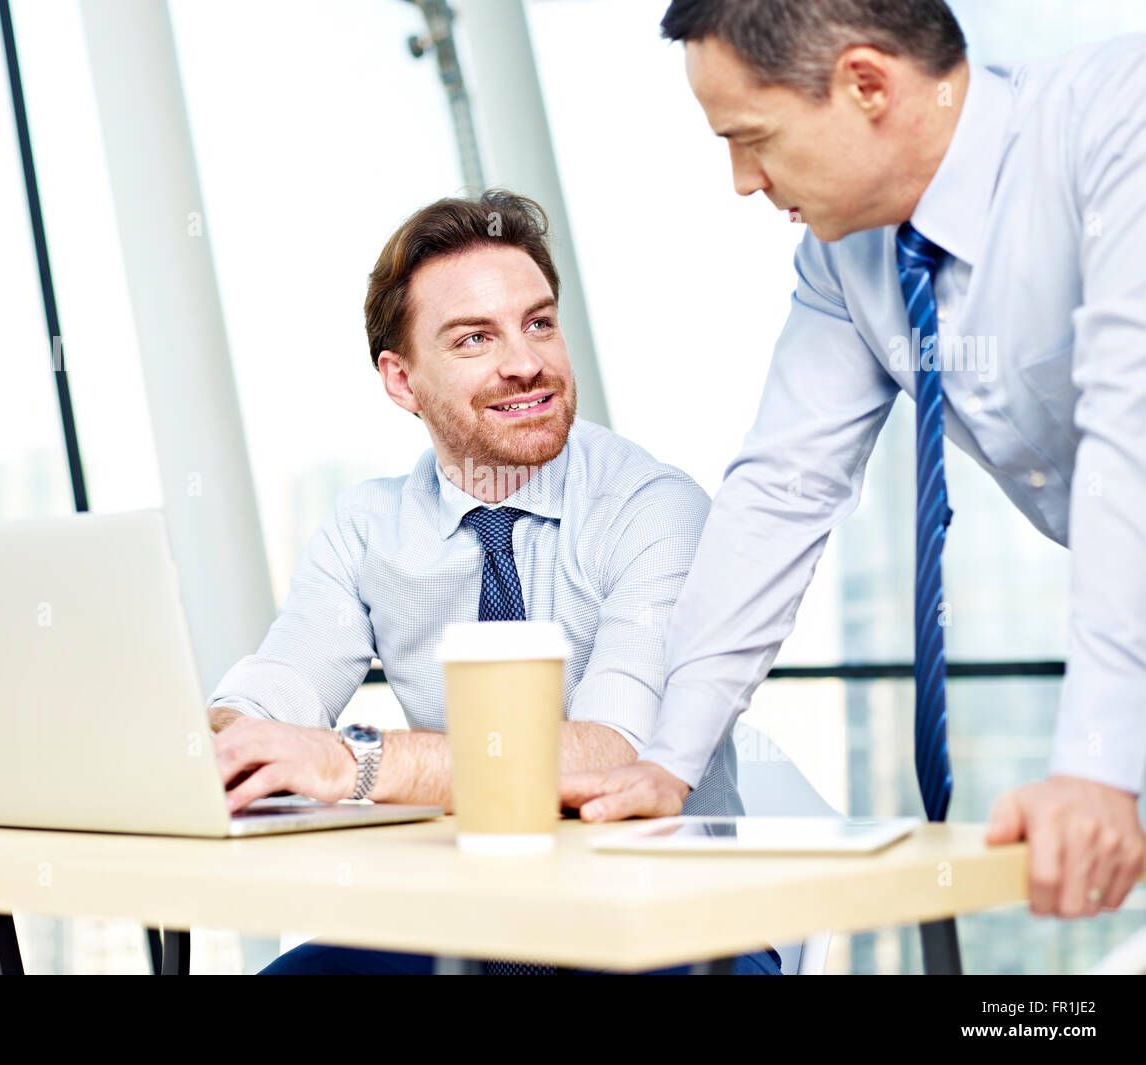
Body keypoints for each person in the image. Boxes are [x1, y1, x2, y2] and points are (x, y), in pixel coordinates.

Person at [563, 0, 1146, 920]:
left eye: (752, 137)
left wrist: (1098, 762)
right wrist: (667, 762)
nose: (742, 180)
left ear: (866, 83)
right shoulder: (849, 260)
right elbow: (778, 495)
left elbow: (1136, 438)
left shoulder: (1119, 121)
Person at [207, 189, 779, 975]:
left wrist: (358, 762)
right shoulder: (367, 527)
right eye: (475, 338)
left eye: (539, 323)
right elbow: (278, 686)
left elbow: (612, 759)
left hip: (673, 926)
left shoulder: (654, 509)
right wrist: (218, 744)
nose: (525, 362)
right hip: (476, 927)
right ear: (402, 381)